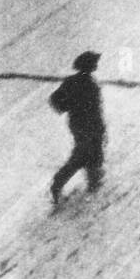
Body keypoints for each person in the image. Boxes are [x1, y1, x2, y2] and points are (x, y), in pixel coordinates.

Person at [49, 51, 106, 203]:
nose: (96, 65)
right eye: (94, 63)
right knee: (83, 155)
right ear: (88, 66)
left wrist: (67, 107)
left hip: (79, 124)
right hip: (88, 124)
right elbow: (94, 108)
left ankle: (93, 181)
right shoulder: (88, 83)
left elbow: (55, 100)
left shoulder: (72, 81)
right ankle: (58, 183)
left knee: (91, 151)